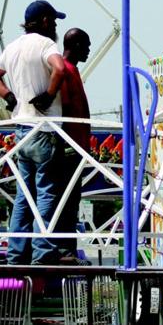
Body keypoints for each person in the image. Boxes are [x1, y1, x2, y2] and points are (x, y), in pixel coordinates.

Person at [0, 0, 67, 265]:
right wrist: (49, 94)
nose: (54, 25)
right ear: (43, 21)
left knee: (23, 194)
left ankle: (16, 254)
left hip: (21, 130)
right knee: (46, 192)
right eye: (52, 20)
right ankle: (42, 253)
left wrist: (8, 96)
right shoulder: (46, 45)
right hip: (44, 129)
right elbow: (60, 68)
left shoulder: (13, 47)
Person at [56, 28, 92, 262]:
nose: (89, 50)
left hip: (77, 146)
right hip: (69, 147)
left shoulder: (72, 71)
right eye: (86, 45)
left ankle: (67, 248)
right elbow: (65, 109)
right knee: (66, 201)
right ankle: (64, 250)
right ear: (76, 45)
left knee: (71, 201)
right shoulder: (65, 71)